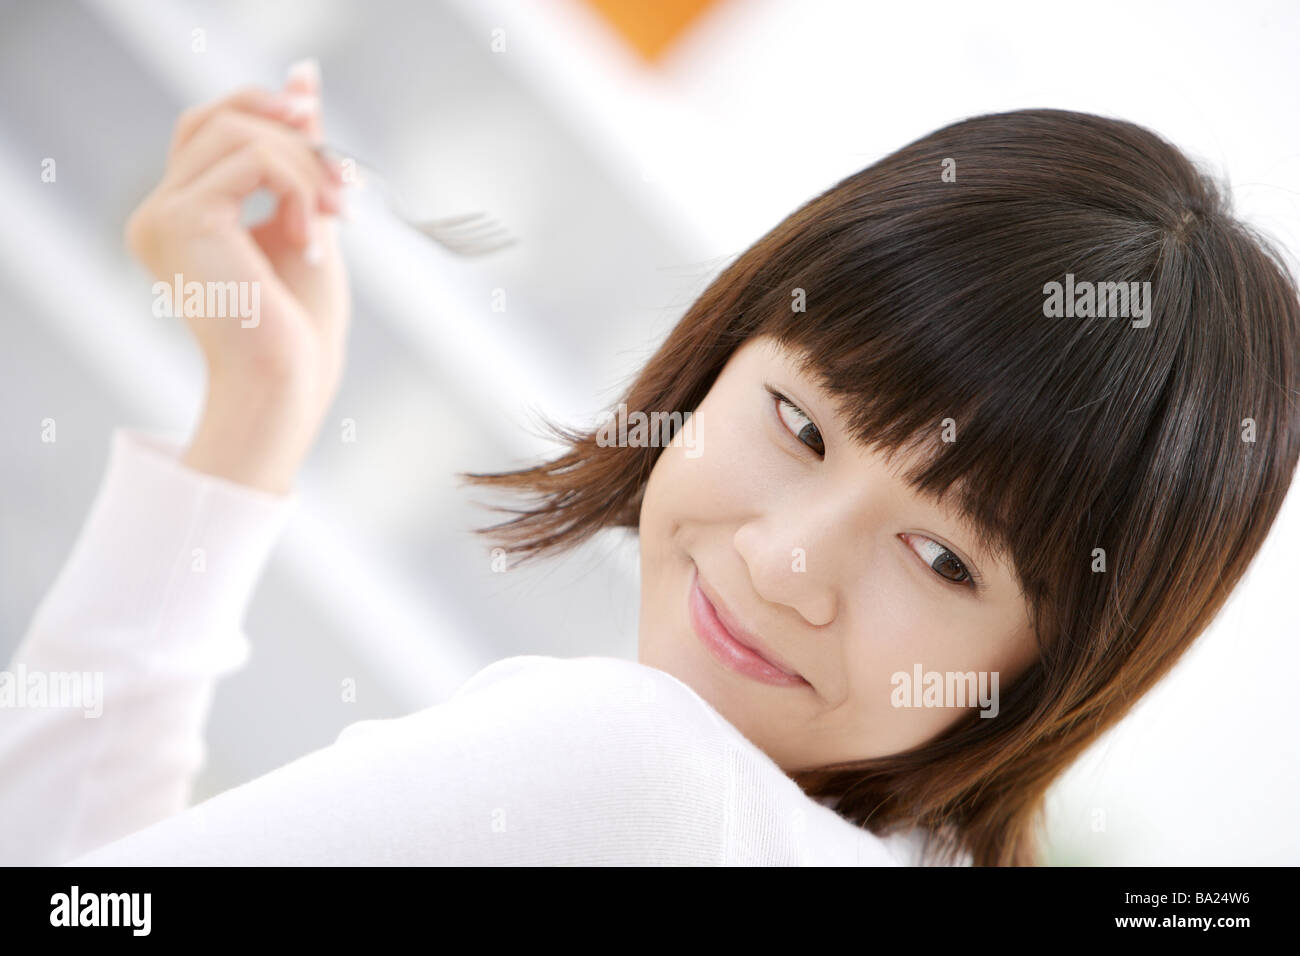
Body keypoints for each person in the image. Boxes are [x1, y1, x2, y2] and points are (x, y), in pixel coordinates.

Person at [2, 59, 1297, 866]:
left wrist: (245, 437)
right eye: (801, 427)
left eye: (944, 556)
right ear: (725, 351)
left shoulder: (642, 775)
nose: (790, 563)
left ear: (1054, 672)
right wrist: (256, 416)